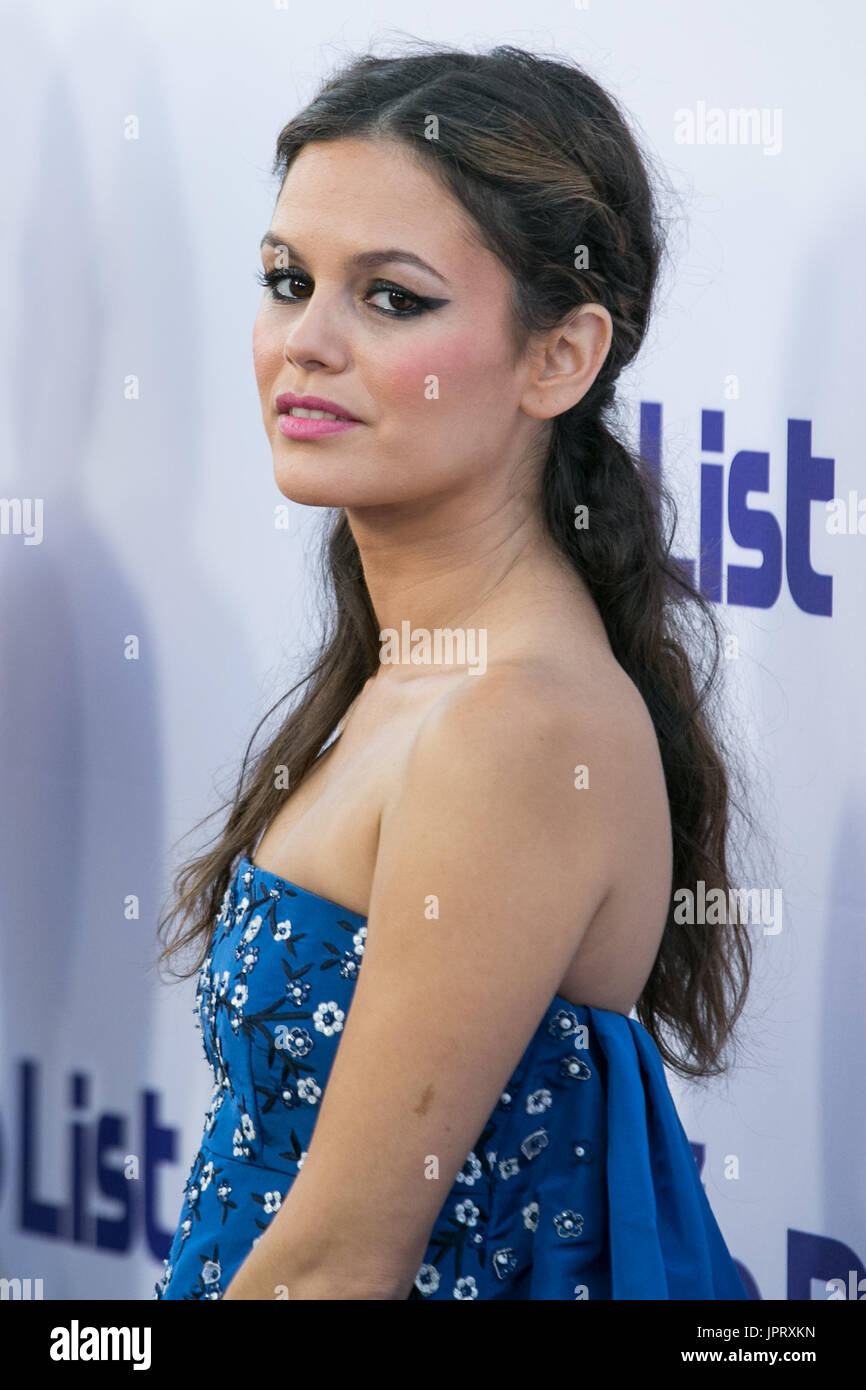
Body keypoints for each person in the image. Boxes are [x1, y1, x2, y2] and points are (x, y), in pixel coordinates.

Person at [154, 41, 753, 1301]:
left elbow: (336, 1269)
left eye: (391, 298)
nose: (302, 344)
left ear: (559, 359)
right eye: (285, 280)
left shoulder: (514, 727)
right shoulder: (419, 670)